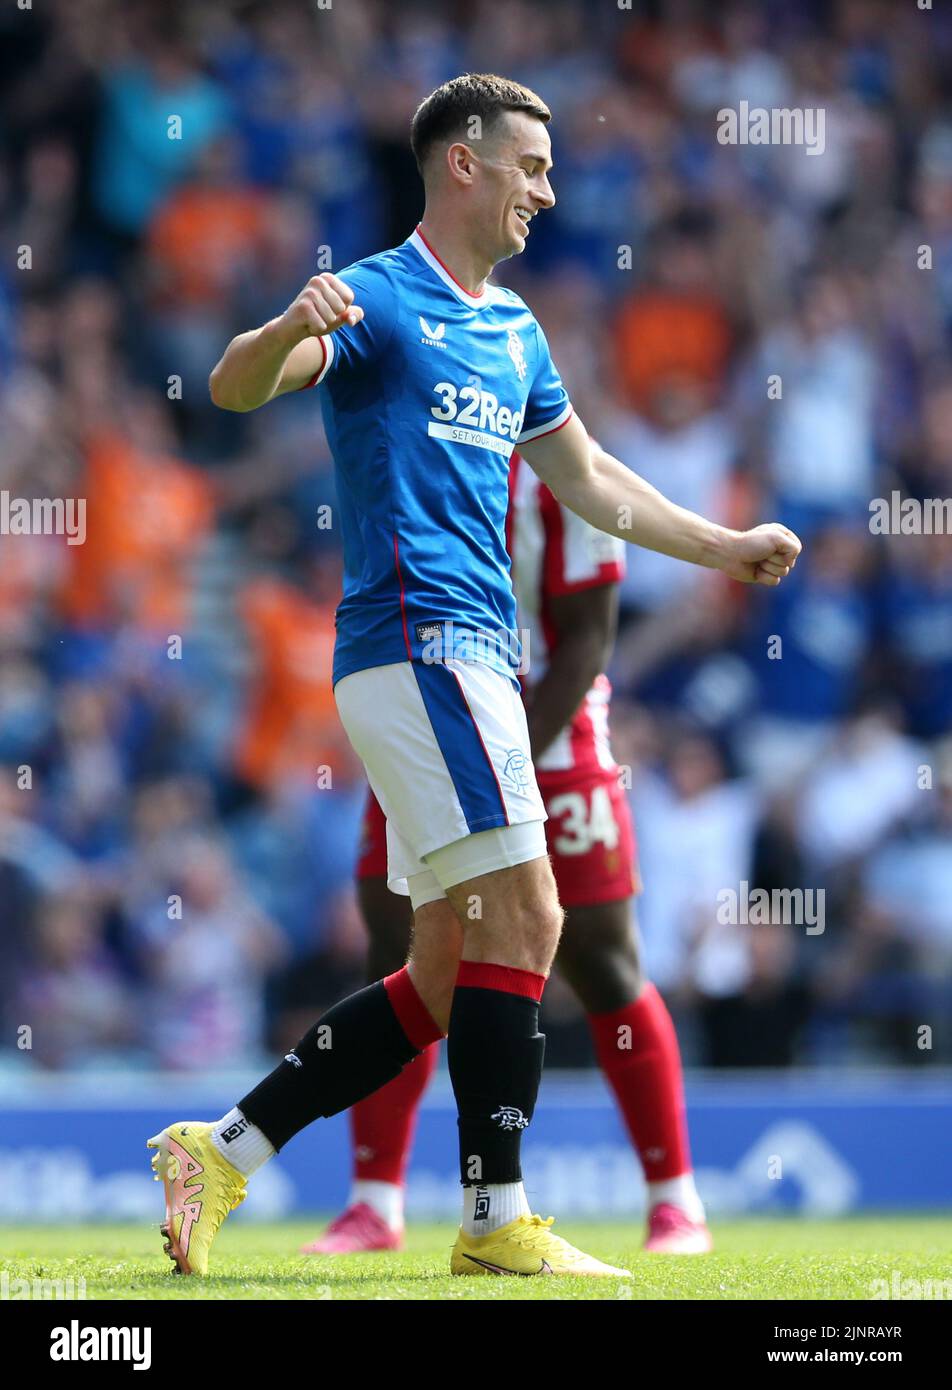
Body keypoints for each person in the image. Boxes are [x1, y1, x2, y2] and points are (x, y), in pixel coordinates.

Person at [148, 73, 800, 1279]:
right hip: (416, 643)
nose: (547, 191)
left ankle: (221, 1148)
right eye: (530, 166)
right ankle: (495, 1215)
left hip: (474, 660)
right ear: (463, 162)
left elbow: (590, 479)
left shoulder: (514, 331)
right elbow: (235, 387)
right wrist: (291, 327)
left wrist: (721, 548)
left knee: (446, 966)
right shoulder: (379, 300)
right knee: (537, 914)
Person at [305, 449, 712, 1256]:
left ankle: (675, 1198)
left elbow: (589, 643)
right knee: (399, 945)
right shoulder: (401, 457)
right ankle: (374, 1202)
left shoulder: (570, 474)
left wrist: (499, 772)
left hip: (550, 740)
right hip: (429, 730)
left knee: (599, 957)